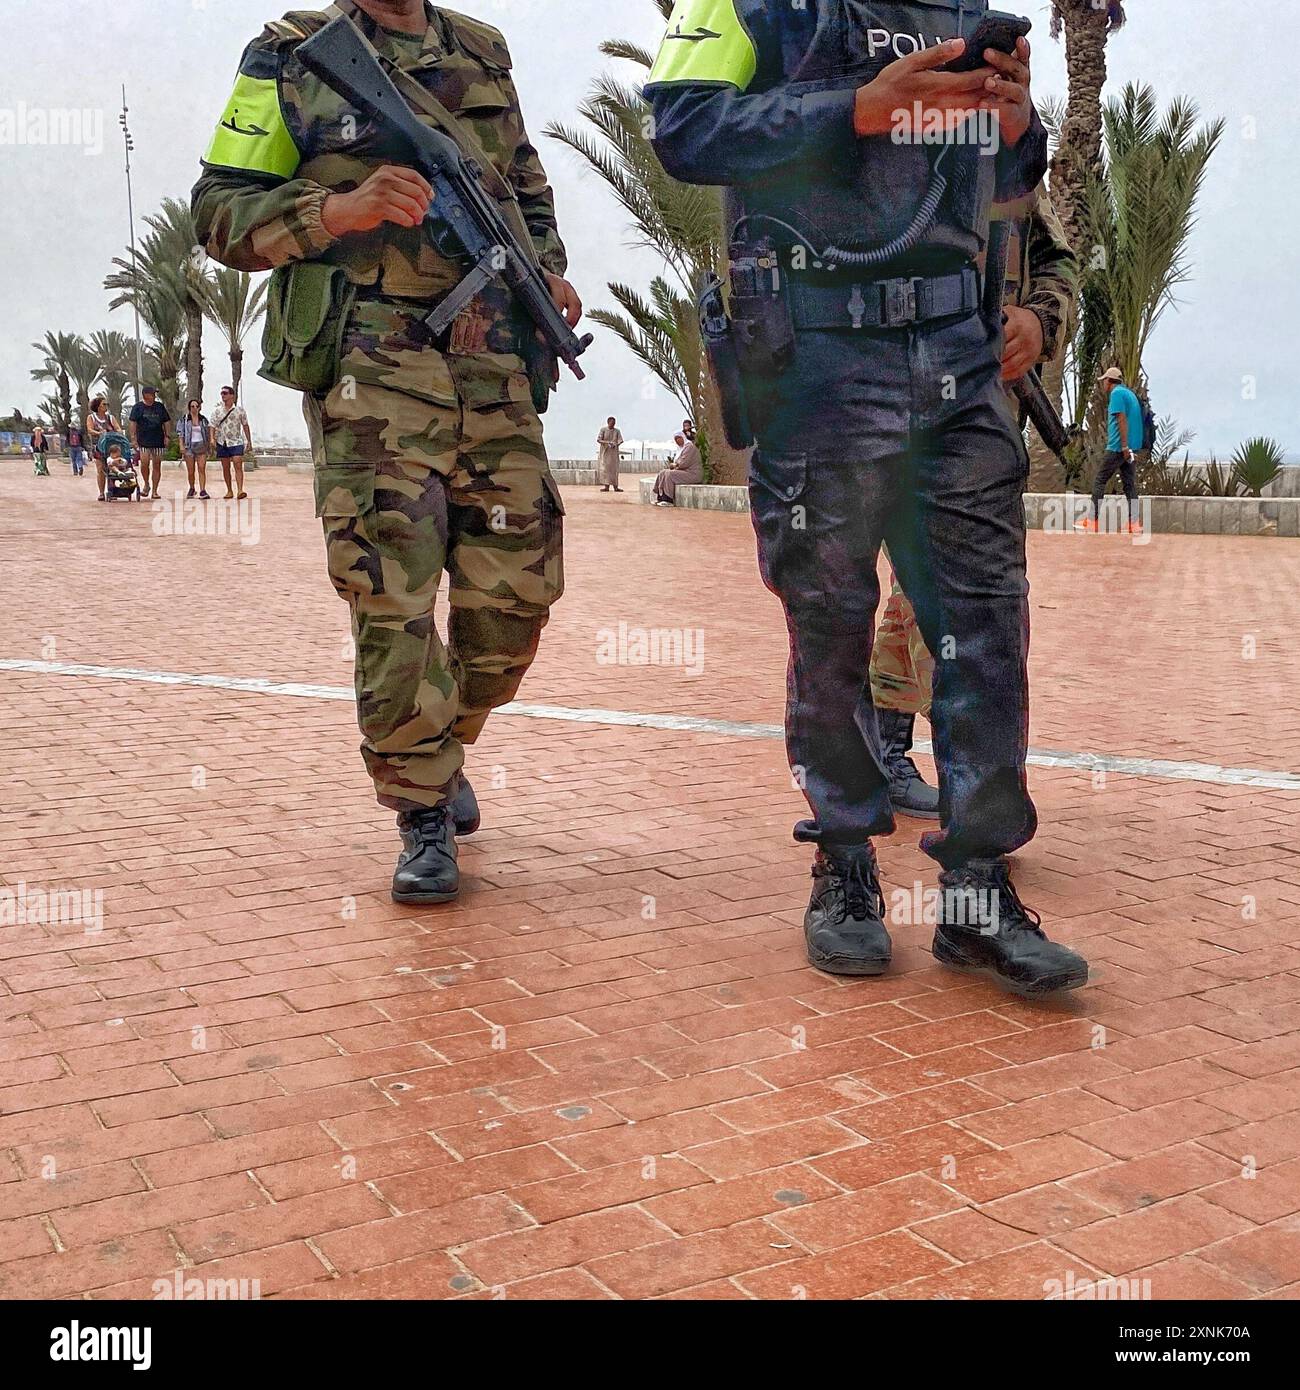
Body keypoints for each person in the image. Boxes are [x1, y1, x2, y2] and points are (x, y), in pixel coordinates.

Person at [648, 1, 1089, 997]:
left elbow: (1008, 191)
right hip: (820, 353)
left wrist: (1019, 131)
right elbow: (682, 129)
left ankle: (975, 889)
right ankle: (844, 863)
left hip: (957, 355)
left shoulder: (965, 16)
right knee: (832, 616)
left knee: (981, 620)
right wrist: (854, 108)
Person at [193, 0, 580, 906]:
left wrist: (547, 267)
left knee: (515, 596)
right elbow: (219, 214)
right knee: (392, 595)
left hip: (493, 361)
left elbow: (525, 186)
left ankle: (440, 748)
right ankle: (421, 813)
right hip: (373, 367)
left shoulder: (482, 50)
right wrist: (336, 210)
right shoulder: (291, 56)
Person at [871, 183, 1077, 819]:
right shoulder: (872, 122)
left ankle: (966, 795)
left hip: (980, 423)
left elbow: (1056, 260)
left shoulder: (1005, 152)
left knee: (977, 609)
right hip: (879, 410)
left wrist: (1038, 323)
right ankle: (892, 761)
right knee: (905, 595)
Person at [1078, 366, 1144, 535]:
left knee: (1100, 480)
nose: (1103, 384)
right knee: (1129, 484)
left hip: (1117, 447)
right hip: (1131, 446)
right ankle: (1134, 523)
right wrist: (1129, 448)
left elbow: (1121, 419)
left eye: (1104, 381)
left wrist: (1122, 446)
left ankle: (1092, 521)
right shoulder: (1129, 393)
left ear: (1109, 381)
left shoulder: (1116, 394)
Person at [128, 386, 171, 500]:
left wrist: (167, 436)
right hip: (143, 440)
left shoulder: (159, 407)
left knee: (157, 465)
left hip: (158, 440)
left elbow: (166, 422)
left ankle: (155, 491)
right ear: (146, 395)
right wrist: (133, 438)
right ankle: (146, 484)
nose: (154, 396)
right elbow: (133, 423)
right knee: (144, 463)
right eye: (152, 394)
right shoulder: (138, 407)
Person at [210, 387, 252, 499]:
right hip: (222, 441)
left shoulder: (240, 410)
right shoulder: (217, 411)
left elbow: (245, 425)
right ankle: (229, 490)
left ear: (232, 395)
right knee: (225, 467)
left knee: (238, 463)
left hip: (236, 440)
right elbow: (212, 425)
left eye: (225, 393)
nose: (223, 395)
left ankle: (240, 490)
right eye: (221, 393)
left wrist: (249, 440)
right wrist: (212, 439)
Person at [652, 431, 703, 506]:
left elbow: (683, 463)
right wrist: (675, 465)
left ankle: (668, 499)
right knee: (662, 472)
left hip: (693, 474)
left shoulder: (689, 447)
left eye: (679, 438)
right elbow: (677, 463)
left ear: (683, 437)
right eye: (675, 439)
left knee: (669, 474)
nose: (677, 440)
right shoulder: (680, 449)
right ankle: (660, 497)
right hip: (685, 471)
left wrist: (675, 465)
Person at [86, 395, 120, 502]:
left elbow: (118, 428)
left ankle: (111, 490)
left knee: (112, 467)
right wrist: (99, 433)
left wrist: (117, 432)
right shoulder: (91, 417)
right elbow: (90, 429)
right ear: (98, 406)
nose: (106, 406)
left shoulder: (110, 418)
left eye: (107, 404)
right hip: (98, 446)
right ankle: (101, 492)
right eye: (103, 404)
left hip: (111, 446)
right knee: (100, 469)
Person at [179, 399, 212, 499]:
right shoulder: (184, 420)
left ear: (199, 407)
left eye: (196, 406)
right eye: (192, 406)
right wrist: (181, 445)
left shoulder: (203, 420)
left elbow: (208, 432)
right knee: (191, 470)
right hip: (189, 446)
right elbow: (180, 434)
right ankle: (192, 488)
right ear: (189, 408)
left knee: (201, 468)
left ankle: (202, 490)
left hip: (201, 445)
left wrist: (209, 446)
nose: (194, 408)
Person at [596, 416, 624, 492]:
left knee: (614, 470)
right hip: (605, 454)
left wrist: (615, 444)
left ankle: (615, 487)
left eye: (614, 423)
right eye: (612, 423)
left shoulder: (617, 431)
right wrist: (607, 442)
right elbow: (598, 440)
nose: (613, 425)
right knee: (606, 470)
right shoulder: (603, 430)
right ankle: (606, 486)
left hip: (614, 455)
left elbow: (620, 440)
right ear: (608, 423)